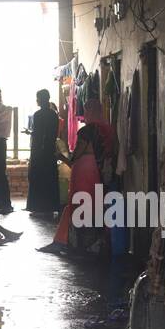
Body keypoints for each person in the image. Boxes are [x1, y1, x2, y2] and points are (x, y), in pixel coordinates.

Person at [49, 98, 117, 255]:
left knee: (79, 207)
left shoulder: (86, 132)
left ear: (89, 112)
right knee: (94, 207)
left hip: (84, 174)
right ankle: (94, 245)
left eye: (86, 111)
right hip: (99, 175)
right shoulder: (107, 131)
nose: (84, 114)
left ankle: (78, 245)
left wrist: (60, 156)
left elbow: (75, 158)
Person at [26, 89, 61, 215]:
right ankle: (50, 206)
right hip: (50, 151)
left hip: (39, 152)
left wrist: (33, 153)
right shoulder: (54, 114)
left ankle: (37, 207)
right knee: (50, 180)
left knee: (38, 179)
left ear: (41, 99)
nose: (37, 100)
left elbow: (38, 135)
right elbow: (52, 134)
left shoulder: (38, 115)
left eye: (37, 98)